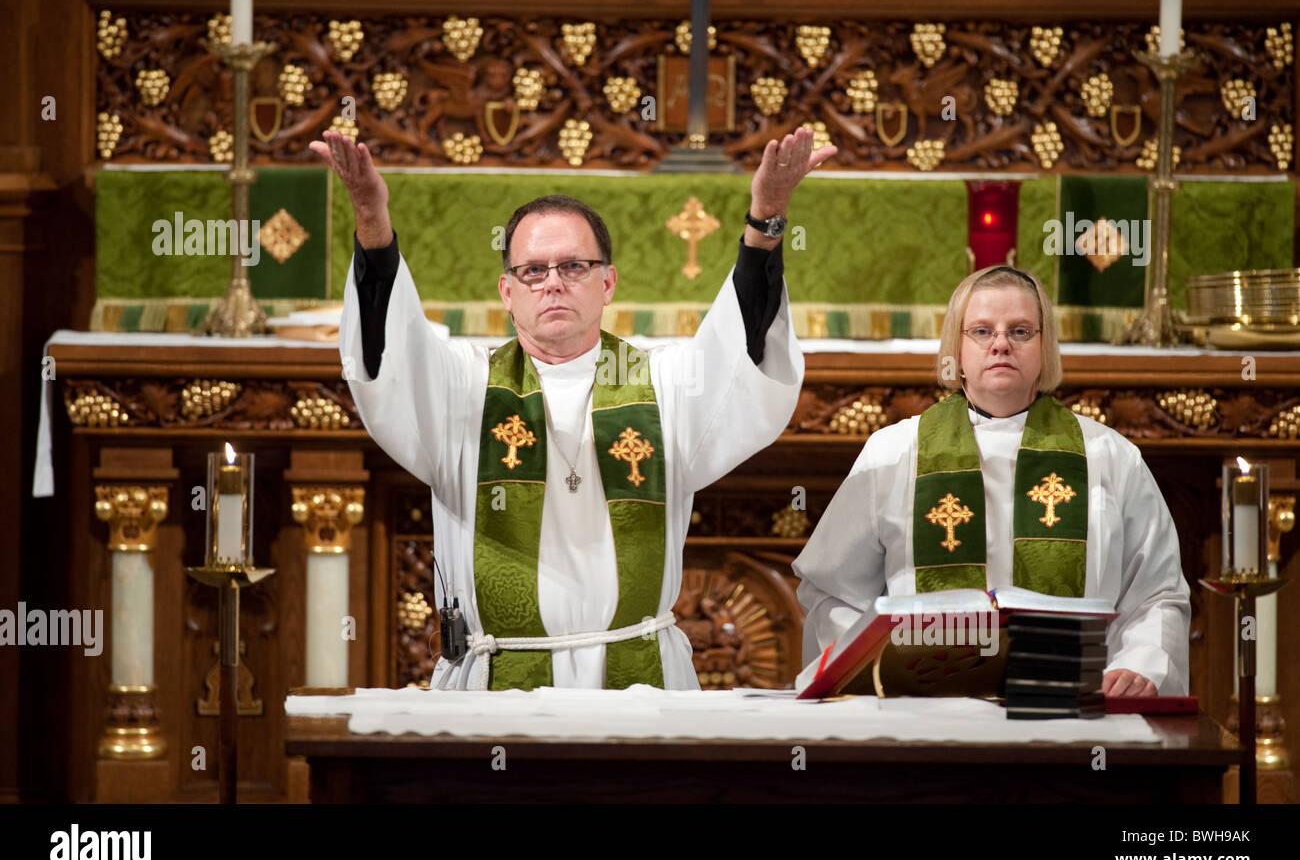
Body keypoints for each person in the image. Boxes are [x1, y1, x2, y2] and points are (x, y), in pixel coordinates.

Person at [311, 127, 834, 690]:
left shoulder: (664, 385)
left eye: (574, 266)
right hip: (495, 684)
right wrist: (371, 216)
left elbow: (741, 344)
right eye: (533, 270)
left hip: (639, 685)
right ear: (507, 292)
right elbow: (391, 345)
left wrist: (766, 215)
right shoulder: (463, 388)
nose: (553, 284)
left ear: (607, 283)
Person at [793, 265, 1191, 696]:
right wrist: (879, 667)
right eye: (982, 331)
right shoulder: (892, 454)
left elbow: (1156, 594)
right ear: (957, 349)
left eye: (1020, 331)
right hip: (924, 709)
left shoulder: (1110, 457)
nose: (1001, 344)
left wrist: (1139, 666)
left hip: (1069, 707)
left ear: (1044, 347)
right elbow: (833, 594)